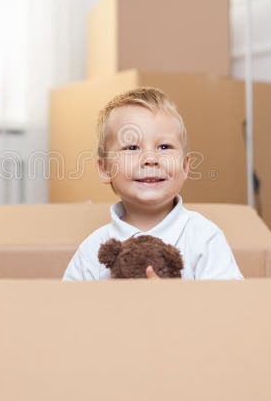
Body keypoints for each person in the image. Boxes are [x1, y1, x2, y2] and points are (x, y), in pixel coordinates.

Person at [62, 87, 243, 281]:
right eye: (132, 147)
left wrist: (170, 301)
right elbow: (68, 307)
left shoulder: (205, 239)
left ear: (185, 166)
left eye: (164, 147)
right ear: (106, 169)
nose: (150, 158)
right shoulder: (92, 251)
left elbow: (228, 305)